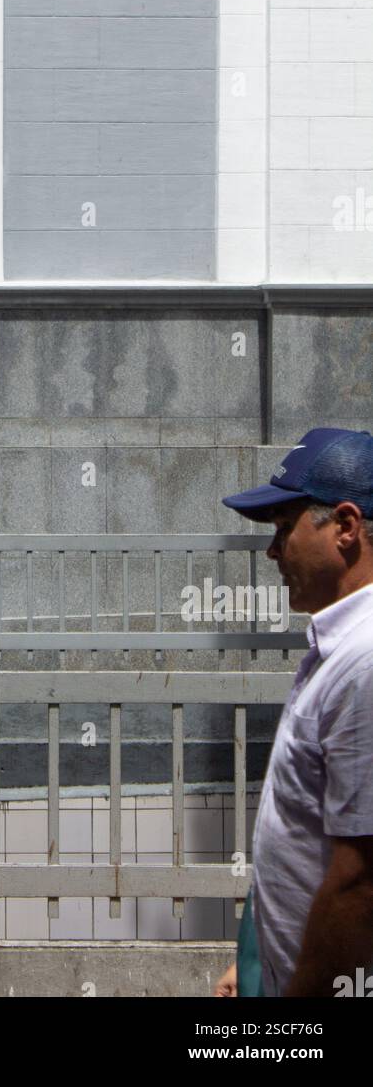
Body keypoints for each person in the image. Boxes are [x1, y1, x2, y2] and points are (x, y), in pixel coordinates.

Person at [222, 427, 373, 997]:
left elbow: (361, 880)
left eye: (285, 529)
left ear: (346, 528)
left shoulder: (365, 661)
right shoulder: (338, 649)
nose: (272, 551)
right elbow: (302, 833)